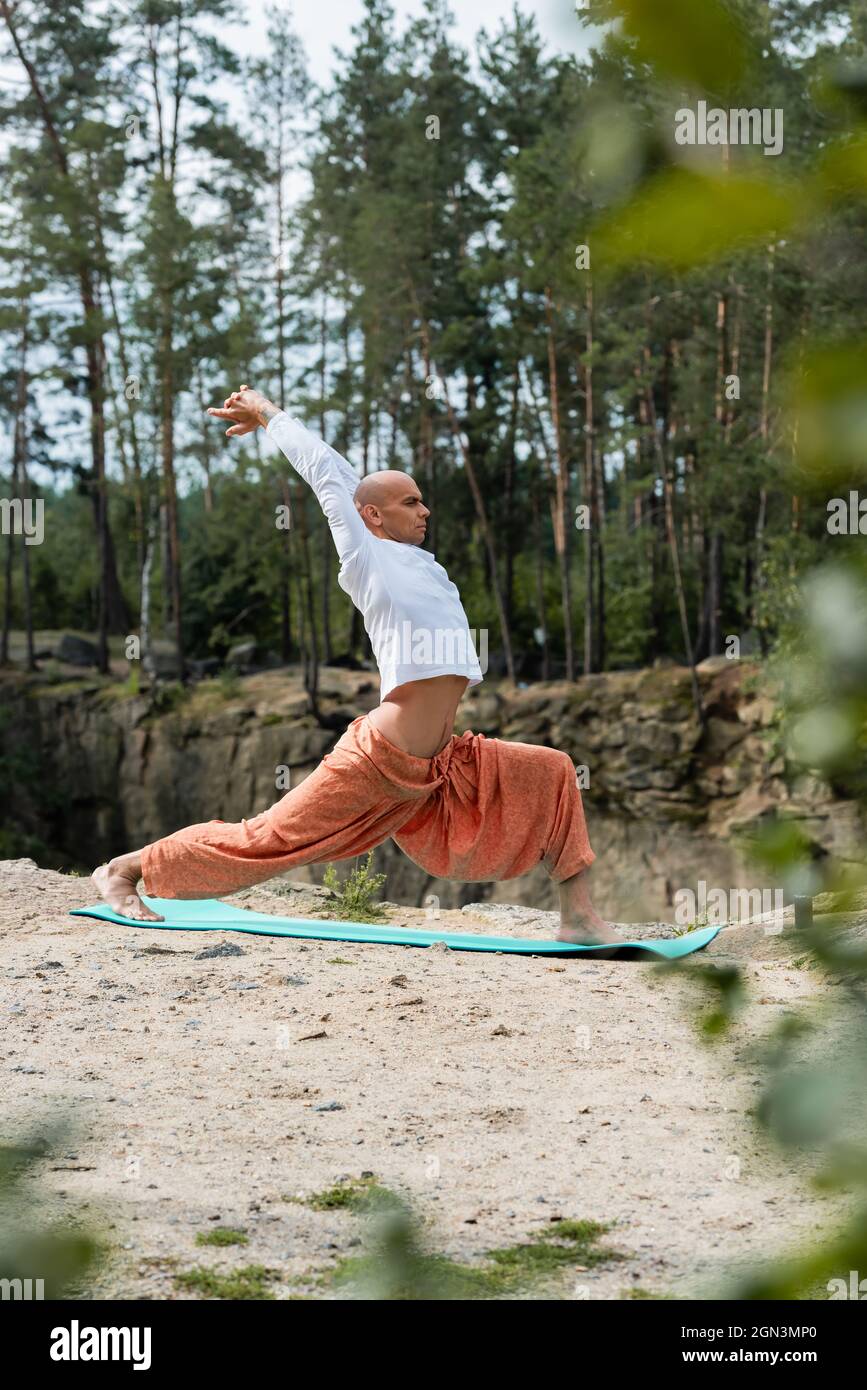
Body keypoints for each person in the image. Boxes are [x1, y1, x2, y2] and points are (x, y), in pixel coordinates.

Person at [92, 387, 622, 945]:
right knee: (265, 841)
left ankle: (578, 918)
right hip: (378, 760)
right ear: (370, 515)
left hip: (441, 763)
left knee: (555, 769)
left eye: (422, 501)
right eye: (410, 502)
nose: (425, 510)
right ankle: (126, 869)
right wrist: (268, 413)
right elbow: (328, 472)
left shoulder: (427, 569)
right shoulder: (367, 557)